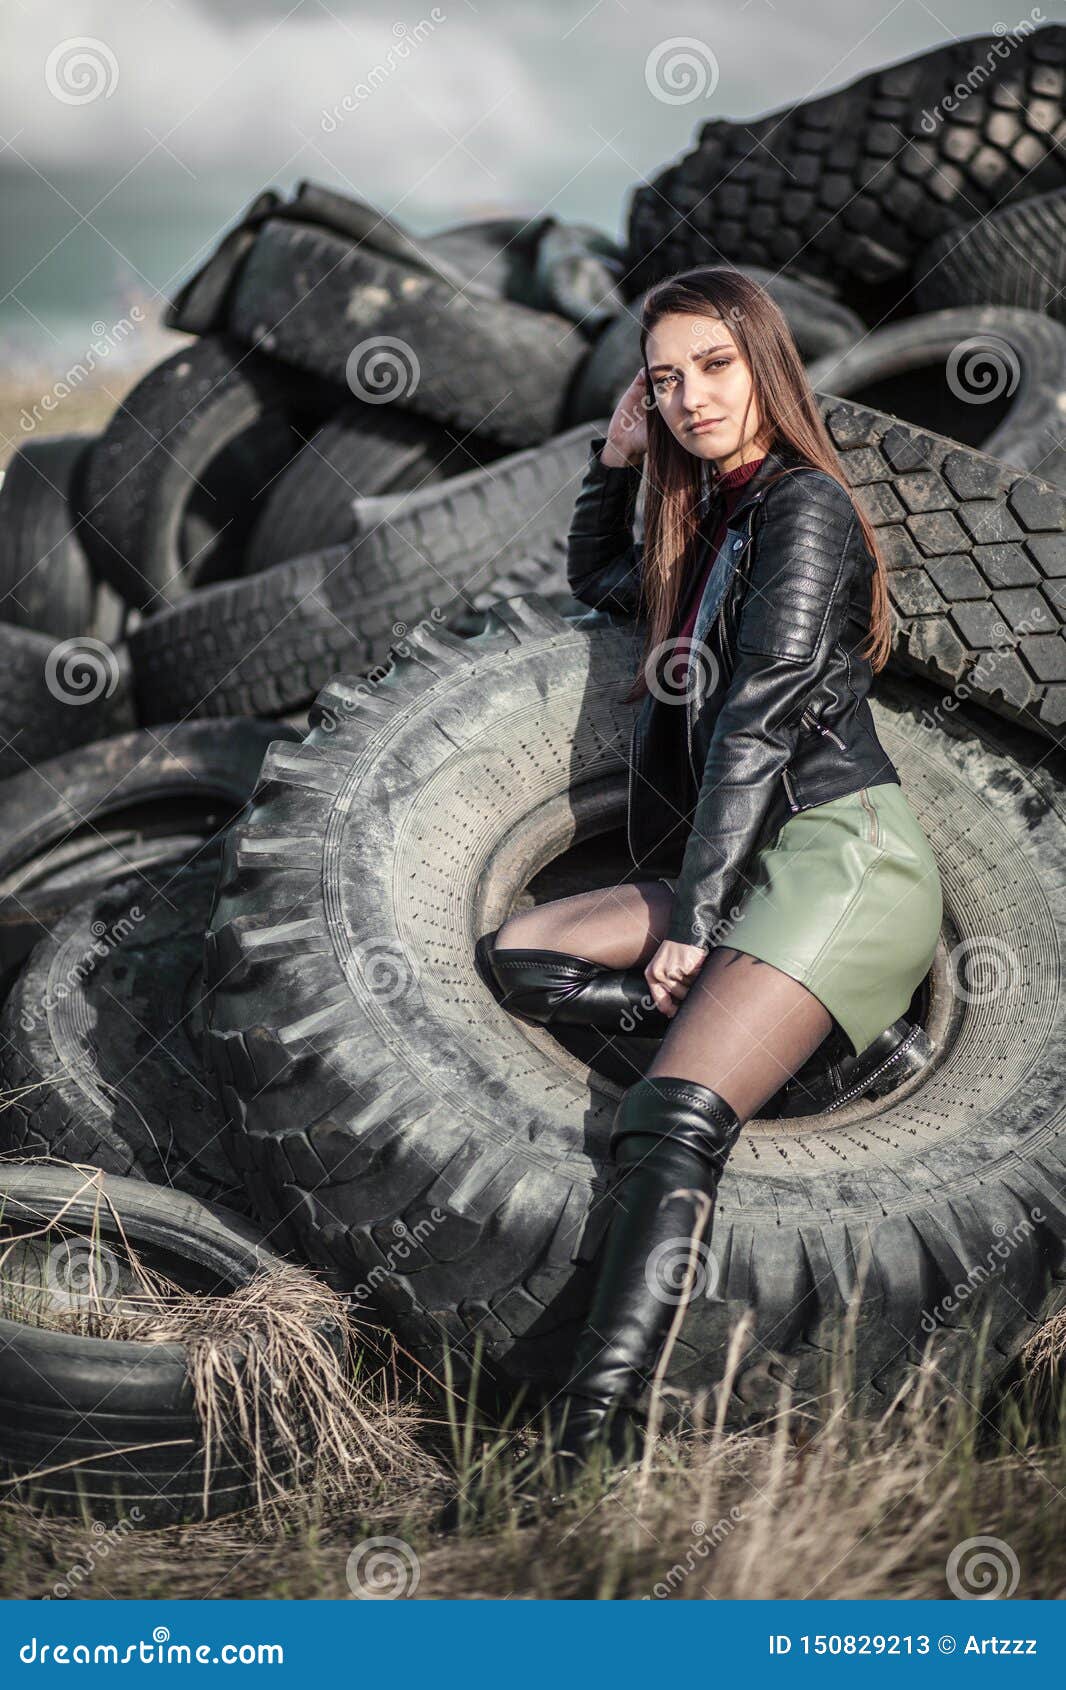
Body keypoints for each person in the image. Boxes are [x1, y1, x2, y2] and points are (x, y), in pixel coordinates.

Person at [476, 266, 944, 1496]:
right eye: (666, 379)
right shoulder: (711, 522)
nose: (690, 398)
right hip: (733, 864)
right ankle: (824, 1057)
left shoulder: (804, 508)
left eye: (715, 367)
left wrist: (691, 916)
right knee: (518, 954)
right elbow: (600, 584)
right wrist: (613, 460)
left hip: (837, 854)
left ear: (765, 364)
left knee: (665, 1119)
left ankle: (590, 1438)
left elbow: (758, 718)